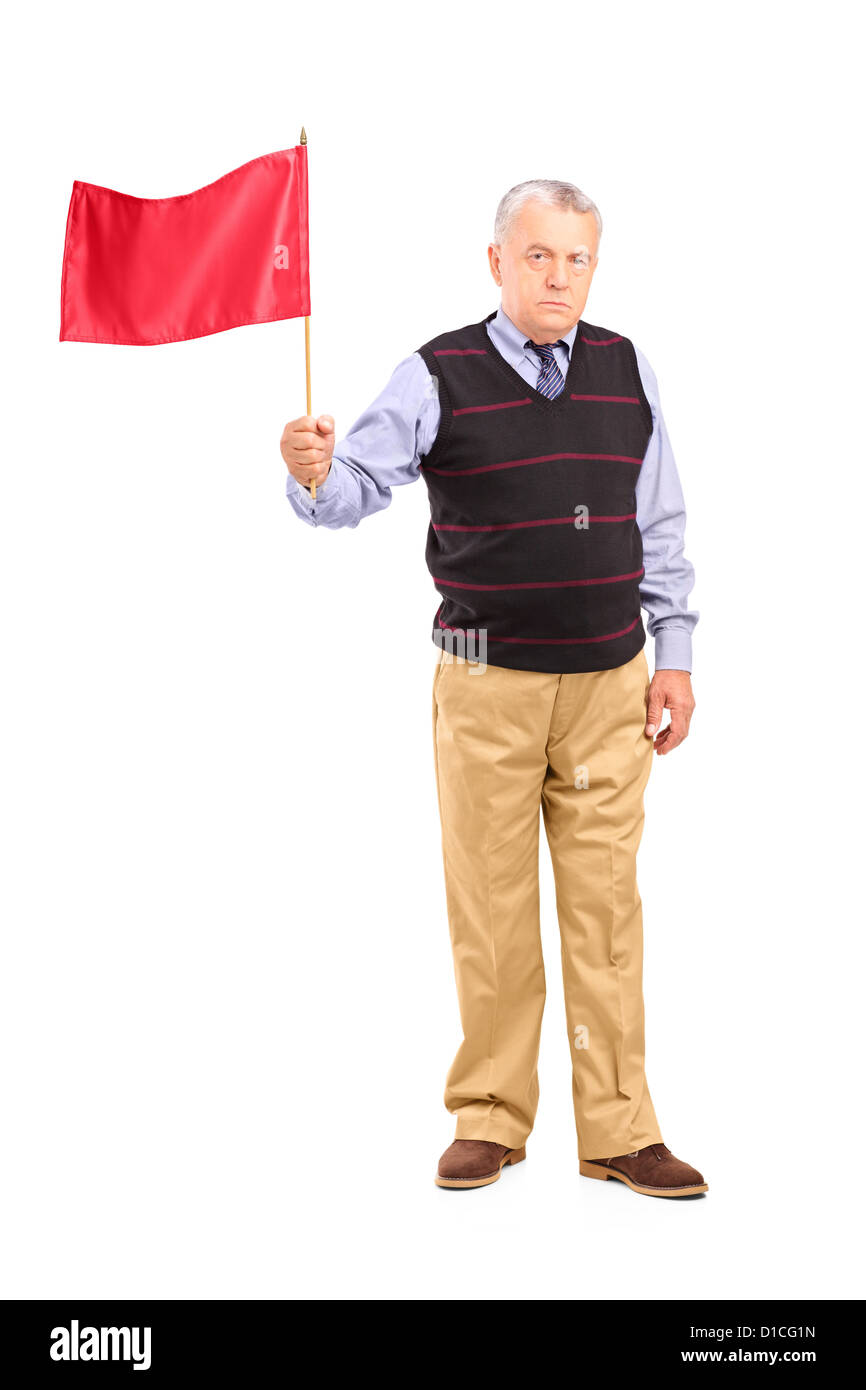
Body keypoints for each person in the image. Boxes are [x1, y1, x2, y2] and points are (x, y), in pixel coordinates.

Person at [280, 179, 706, 1198]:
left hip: (611, 680)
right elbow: (353, 492)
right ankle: (490, 1117)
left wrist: (675, 653)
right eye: (538, 256)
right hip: (483, 677)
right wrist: (310, 473)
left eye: (577, 259)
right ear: (496, 262)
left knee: (606, 910)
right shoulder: (435, 374)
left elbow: (659, 523)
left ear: (592, 267)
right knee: (492, 905)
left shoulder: (624, 365)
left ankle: (618, 1130)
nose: (558, 276)